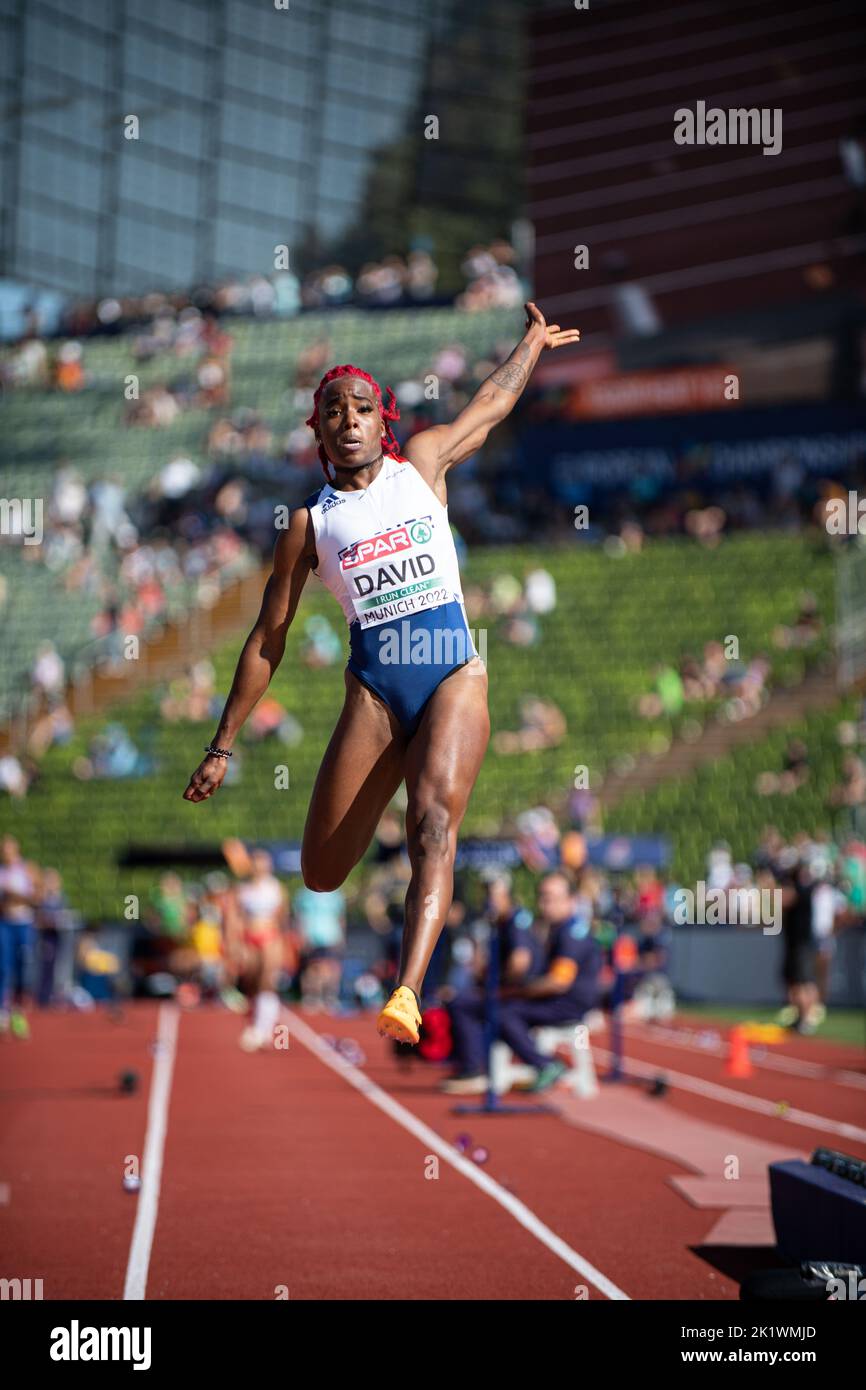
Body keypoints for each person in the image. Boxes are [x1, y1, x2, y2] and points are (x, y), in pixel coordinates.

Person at [182, 303, 579, 1045]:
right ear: (320, 431)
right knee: (321, 872)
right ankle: (398, 765)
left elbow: (491, 401)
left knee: (431, 825)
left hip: (452, 671)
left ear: (382, 419)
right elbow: (269, 638)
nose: (349, 419)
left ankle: (407, 987)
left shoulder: (422, 464)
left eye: (362, 406)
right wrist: (221, 742)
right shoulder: (310, 525)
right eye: (333, 410)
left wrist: (531, 344)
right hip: (375, 691)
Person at [496, 870, 603, 1093]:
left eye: (551, 898)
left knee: (505, 1013)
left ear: (571, 900)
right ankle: (532, 1064)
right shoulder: (557, 929)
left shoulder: (573, 932)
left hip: (567, 1004)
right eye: (542, 896)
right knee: (503, 1008)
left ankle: (545, 1064)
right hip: (559, 1000)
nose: (545, 903)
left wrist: (520, 992)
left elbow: (558, 982)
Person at [442, 872, 540, 1094]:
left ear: (507, 895)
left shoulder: (517, 920)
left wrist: (497, 983)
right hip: (507, 989)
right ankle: (471, 1063)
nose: (489, 899)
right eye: (486, 893)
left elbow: (520, 962)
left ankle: (473, 1068)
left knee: (462, 1004)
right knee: (460, 999)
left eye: (493, 893)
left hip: (519, 992)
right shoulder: (497, 922)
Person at [228, 849, 288, 1052]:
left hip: (269, 936)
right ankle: (255, 1024)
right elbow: (235, 917)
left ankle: (263, 1030)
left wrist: (280, 939)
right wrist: (236, 943)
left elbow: (282, 916)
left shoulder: (276, 887)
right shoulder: (243, 889)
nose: (260, 867)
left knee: (267, 981)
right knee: (251, 983)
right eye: (256, 862)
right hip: (249, 937)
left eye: (263, 862)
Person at [0, 836, 39, 1038]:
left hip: (23, 924)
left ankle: (18, 1011)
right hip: (4, 923)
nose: (6, 853)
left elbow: (37, 896)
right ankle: (2, 1013)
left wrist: (15, 895)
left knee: (24, 967)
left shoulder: (26, 869)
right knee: (4, 967)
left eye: (9, 849)